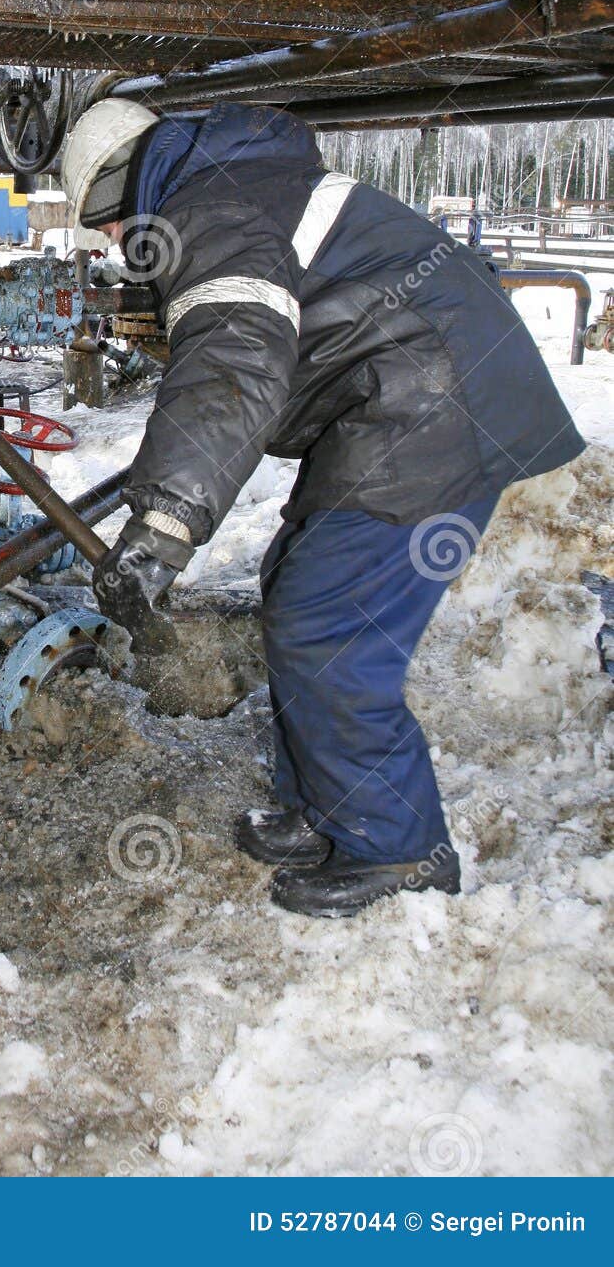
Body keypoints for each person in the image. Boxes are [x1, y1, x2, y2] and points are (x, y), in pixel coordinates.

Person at [61, 98, 584, 917]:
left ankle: (399, 850)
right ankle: (329, 811)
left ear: (125, 183)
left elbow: (233, 362)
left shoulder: (214, 207)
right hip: (404, 399)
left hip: (435, 411)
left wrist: (163, 527)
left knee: (328, 625)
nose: (109, 241)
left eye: (102, 218)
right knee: (298, 583)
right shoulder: (240, 184)